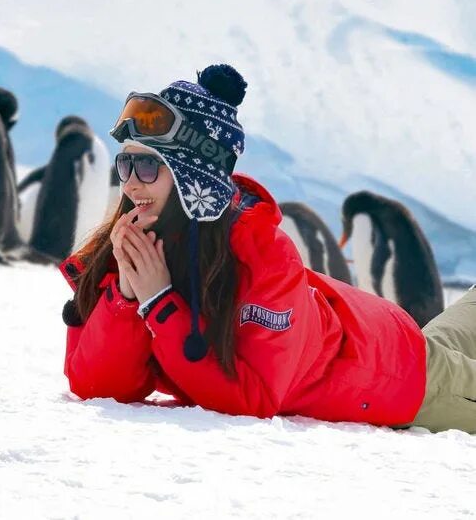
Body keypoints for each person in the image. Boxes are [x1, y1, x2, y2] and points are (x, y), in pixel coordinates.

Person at [60, 64, 476, 432]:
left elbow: (255, 397)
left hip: (395, 373)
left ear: (193, 177)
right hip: (374, 335)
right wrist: (126, 297)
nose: (131, 183)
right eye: (125, 164)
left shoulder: (262, 253)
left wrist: (160, 303)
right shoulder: (139, 248)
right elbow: (94, 385)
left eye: (148, 165)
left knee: (444, 356)